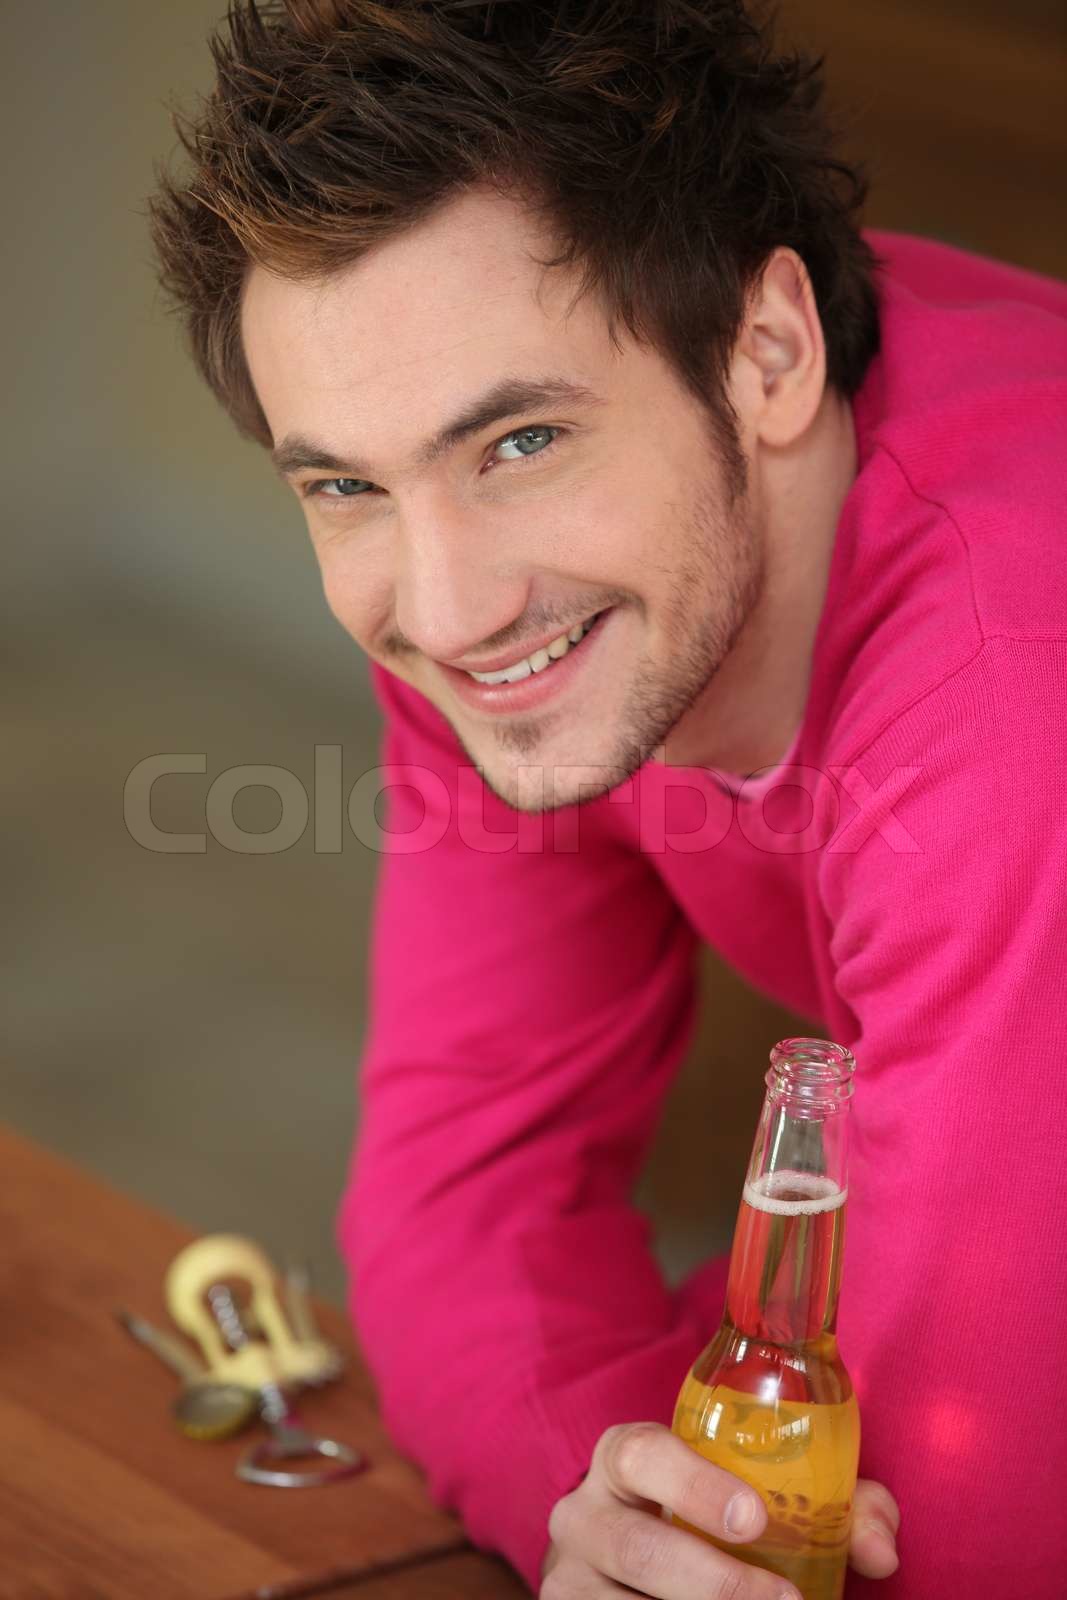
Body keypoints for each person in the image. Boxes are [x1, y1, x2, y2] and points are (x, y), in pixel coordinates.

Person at [148, 2, 1067, 1595]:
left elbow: (967, 1514)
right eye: (345, 486)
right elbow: (470, 1191)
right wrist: (600, 1498)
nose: (442, 610)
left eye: (519, 442)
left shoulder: (1014, 691)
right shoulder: (516, 620)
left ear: (766, 353)